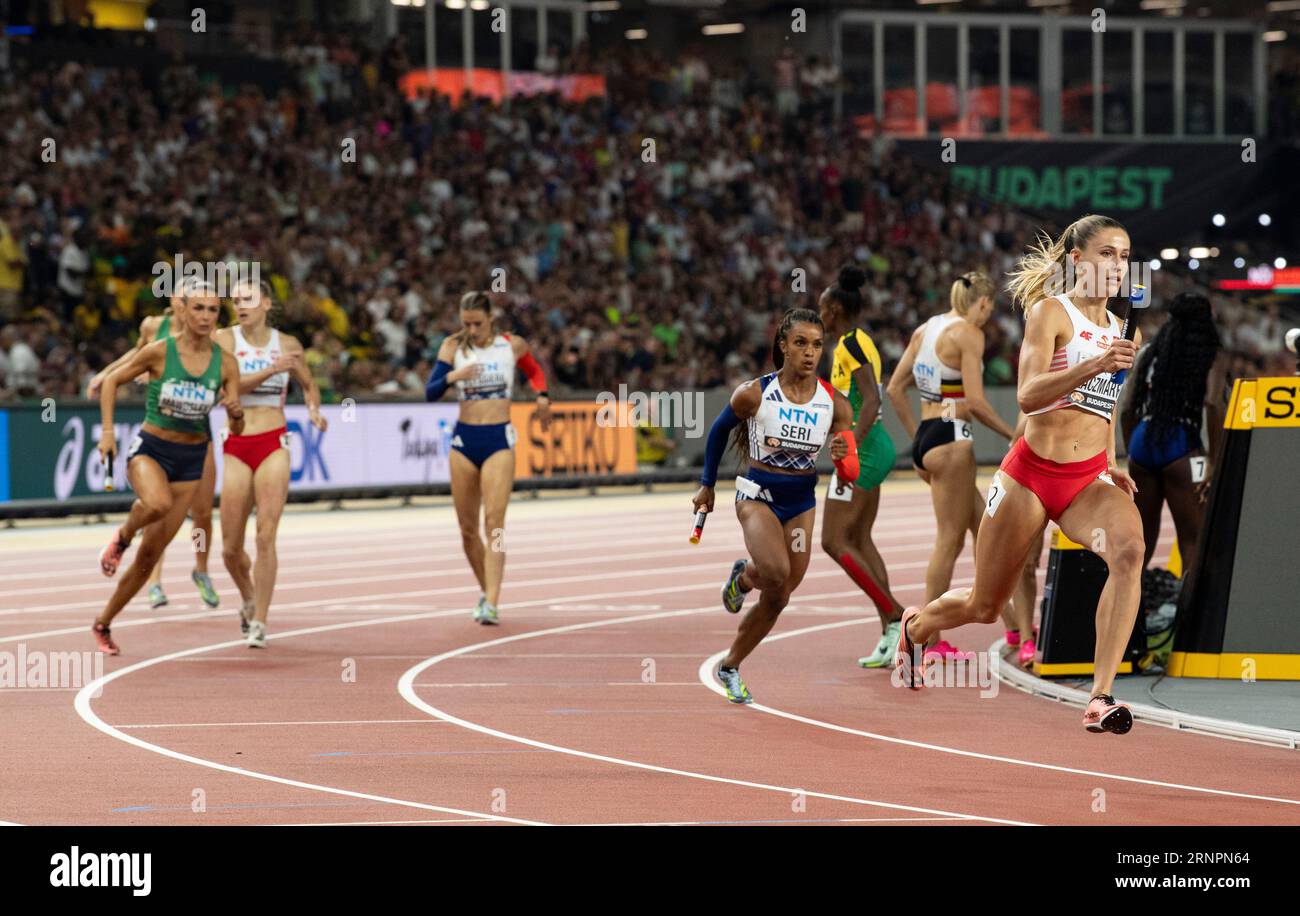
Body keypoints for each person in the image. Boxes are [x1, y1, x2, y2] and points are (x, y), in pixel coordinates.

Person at [894, 214, 1143, 736]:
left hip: (1086, 481)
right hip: (1029, 477)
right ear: (1077, 260)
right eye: (1106, 254)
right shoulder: (1051, 312)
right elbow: (1029, 395)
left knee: (1129, 551)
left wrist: (1112, 462)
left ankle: (1100, 697)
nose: (1118, 266)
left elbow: (1108, 406)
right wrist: (1093, 364)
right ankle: (915, 628)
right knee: (985, 606)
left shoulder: (1125, 325)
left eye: (1124, 256)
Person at [694, 308, 858, 704]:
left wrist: (841, 454)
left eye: (817, 345)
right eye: (800, 343)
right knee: (777, 569)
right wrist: (707, 486)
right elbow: (718, 433)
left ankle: (731, 663)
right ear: (782, 346)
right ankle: (751, 575)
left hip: (801, 501)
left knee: (780, 595)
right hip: (757, 496)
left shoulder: (835, 404)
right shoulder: (753, 393)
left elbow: (850, 471)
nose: (810, 353)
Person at [92, 284, 243, 655]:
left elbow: (235, 426)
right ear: (184, 311)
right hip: (151, 450)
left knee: (150, 557)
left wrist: (236, 416)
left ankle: (103, 623)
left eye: (213, 310)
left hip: (190, 460)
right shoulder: (160, 351)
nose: (206, 316)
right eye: (199, 309)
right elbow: (112, 379)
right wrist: (108, 434)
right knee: (156, 504)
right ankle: (123, 536)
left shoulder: (226, 363)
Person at [887, 271, 1016, 660]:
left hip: (928, 436)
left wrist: (917, 443)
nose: (988, 317)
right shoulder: (968, 334)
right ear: (981, 303)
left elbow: (894, 389)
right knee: (950, 541)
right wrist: (1013, 434)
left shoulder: (926, 329)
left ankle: (1017, 628)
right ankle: (925, 641)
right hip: (953, 441)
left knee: (984, 528)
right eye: (989, 309)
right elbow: (975, 402)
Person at [425, 291, 551, 624]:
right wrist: (454, 376)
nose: (472, 330)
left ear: (490, 318)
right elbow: (430, 392)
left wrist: (542, 395)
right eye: (466, 323)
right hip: (465, 440)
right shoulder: (453, 347)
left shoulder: (511, 345)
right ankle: (486, 590)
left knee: (494, 523)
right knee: (467, 530)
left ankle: (492, 602)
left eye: (477, 324)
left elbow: (534, 370)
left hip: (498, 439)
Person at [216, 280, 324, 648]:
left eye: (247, 299)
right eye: (235, 301)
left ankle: (260, 620)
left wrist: (313, 410)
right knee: (230, 548)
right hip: (236, 442)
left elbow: (308, 383)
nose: (240, 306)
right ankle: (248, 596)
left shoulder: (289, 345)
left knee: (265, 535)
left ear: (265, 302)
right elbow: (227, 390)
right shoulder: (224, 340)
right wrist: (270, 371)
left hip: (273, 441)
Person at [815, 265, 905, 668]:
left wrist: (849, 443)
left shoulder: (849, 345)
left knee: (833, 541)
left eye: (822, 308)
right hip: (872, 446)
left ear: (835, 308)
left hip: (862, 452)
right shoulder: (858, 341)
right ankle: (890, 627)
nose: (819, 316)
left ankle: (899, 617)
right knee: (861, 539)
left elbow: (870, 401)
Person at [1120, 292, 1229, 573]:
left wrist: (1133, 451)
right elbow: (1212, 403)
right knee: (1192, 541)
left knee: (1141, 543)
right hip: (1183, 445)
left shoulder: (1150, 353)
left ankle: (1132, 614)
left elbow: (1127, 408)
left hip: (1143, 441)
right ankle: (1189, 617)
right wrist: (1213, 462)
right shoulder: (1212, 355)